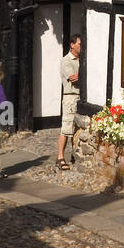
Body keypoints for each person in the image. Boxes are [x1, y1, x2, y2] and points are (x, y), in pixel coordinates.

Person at [56, 33, 82, 171]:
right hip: (70, 96)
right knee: (66, 128)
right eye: (79, 44)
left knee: (76, 129)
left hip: (79, 96)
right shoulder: (67, 60)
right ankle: (60, 157)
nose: (81, 46)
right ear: (72, 45)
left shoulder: (81, 60)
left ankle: (73, 154)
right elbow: (73, 78)